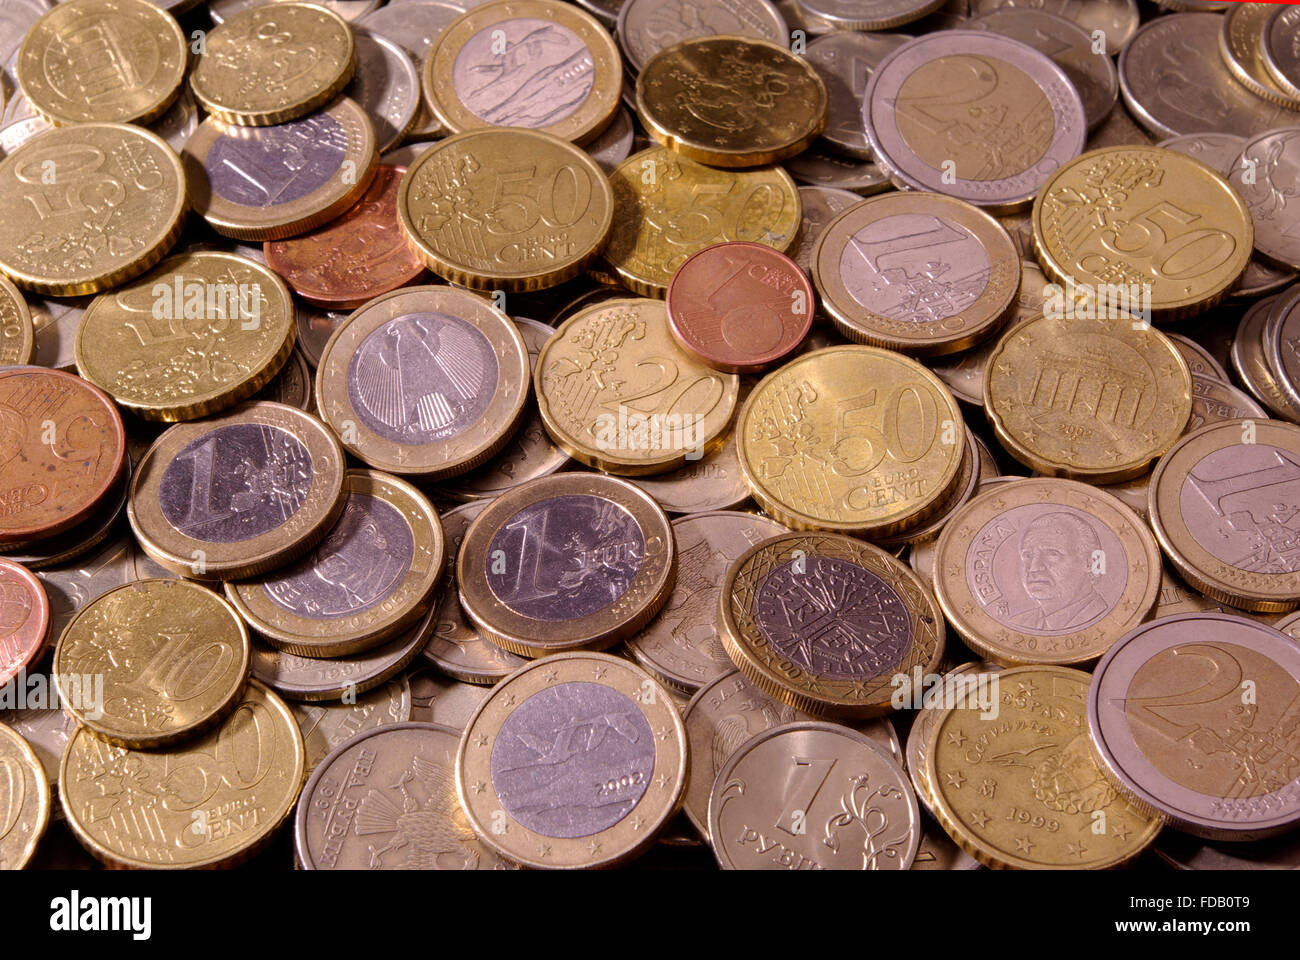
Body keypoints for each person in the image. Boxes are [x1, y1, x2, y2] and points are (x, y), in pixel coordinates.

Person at [1010, 511, 1109, 631]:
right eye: (1027, 556)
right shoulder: (1017, 623)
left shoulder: (1107, 619)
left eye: (1052, 554)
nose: (1034, 568)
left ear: (1091, 563)